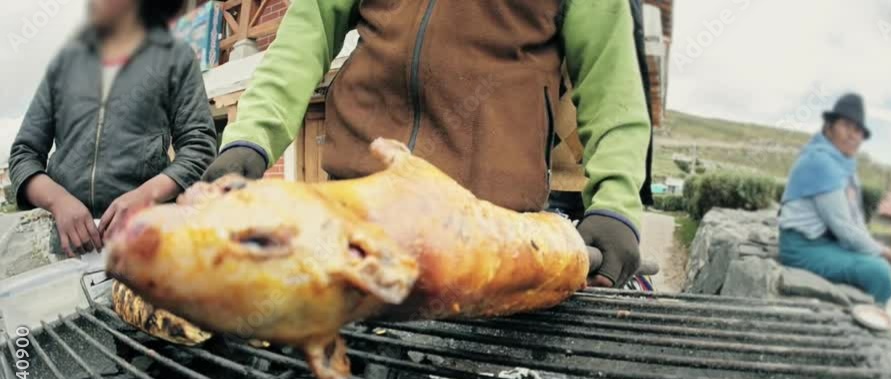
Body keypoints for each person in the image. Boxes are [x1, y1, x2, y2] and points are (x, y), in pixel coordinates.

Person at [201, 0, 651, 288]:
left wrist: (615, 206)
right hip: (355, 212)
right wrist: (251, 139)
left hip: (485, 235)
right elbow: (305, 36)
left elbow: (611, 84)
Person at [8, 0, 217, 257]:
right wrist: (58, 200)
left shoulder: (176, 57)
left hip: (143, 243)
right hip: (65, 248)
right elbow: (24, 154)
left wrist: (145, 196)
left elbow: (199, 148)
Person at [778, 93, 891, 306]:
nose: (853, 135)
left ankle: (877, 311)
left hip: (825, 243)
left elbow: (856, 220)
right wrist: (884, 254)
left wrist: (879, 250)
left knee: (878, 259)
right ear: (829, 127)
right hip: (802, 249)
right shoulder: (821, 162)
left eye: (858, 130)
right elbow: (843, 227)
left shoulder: (844, 166)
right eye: (846, 125)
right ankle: (877, 320)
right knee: (879, 271)